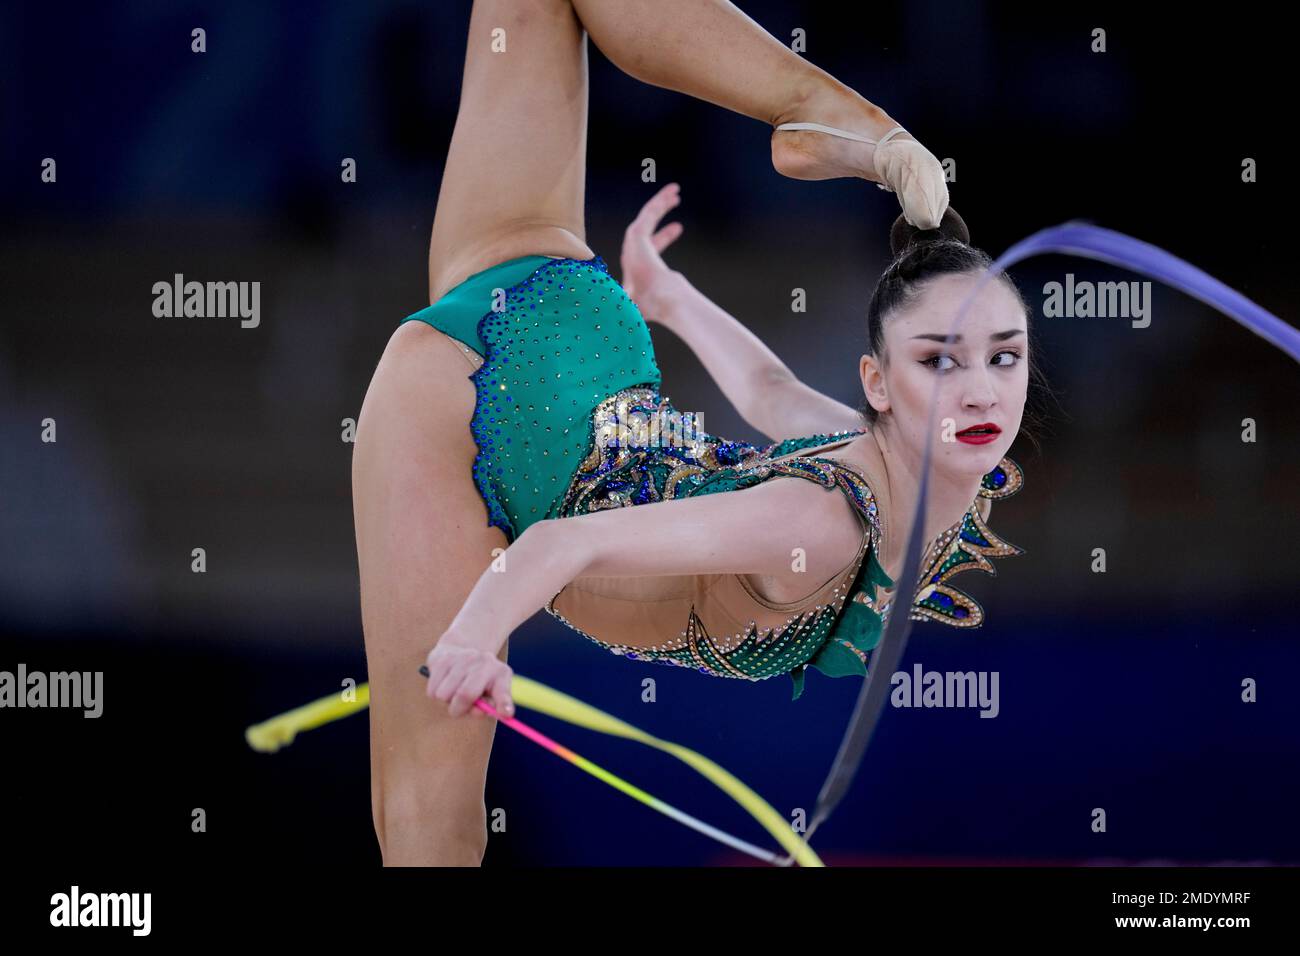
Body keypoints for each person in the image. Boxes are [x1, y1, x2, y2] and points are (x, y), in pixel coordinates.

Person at [353, 0, 983, 867]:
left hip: (569, 326)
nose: (980, 389)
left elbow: (769, 396)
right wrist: (471, 639)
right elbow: (563, 540)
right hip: (492, 413)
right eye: (949, 362)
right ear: (882, 386)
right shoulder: (831, 511)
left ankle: (827, 113)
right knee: (429, 825)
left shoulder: (863, 468)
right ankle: (828, 114)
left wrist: (666, 300)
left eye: (1005, 359)